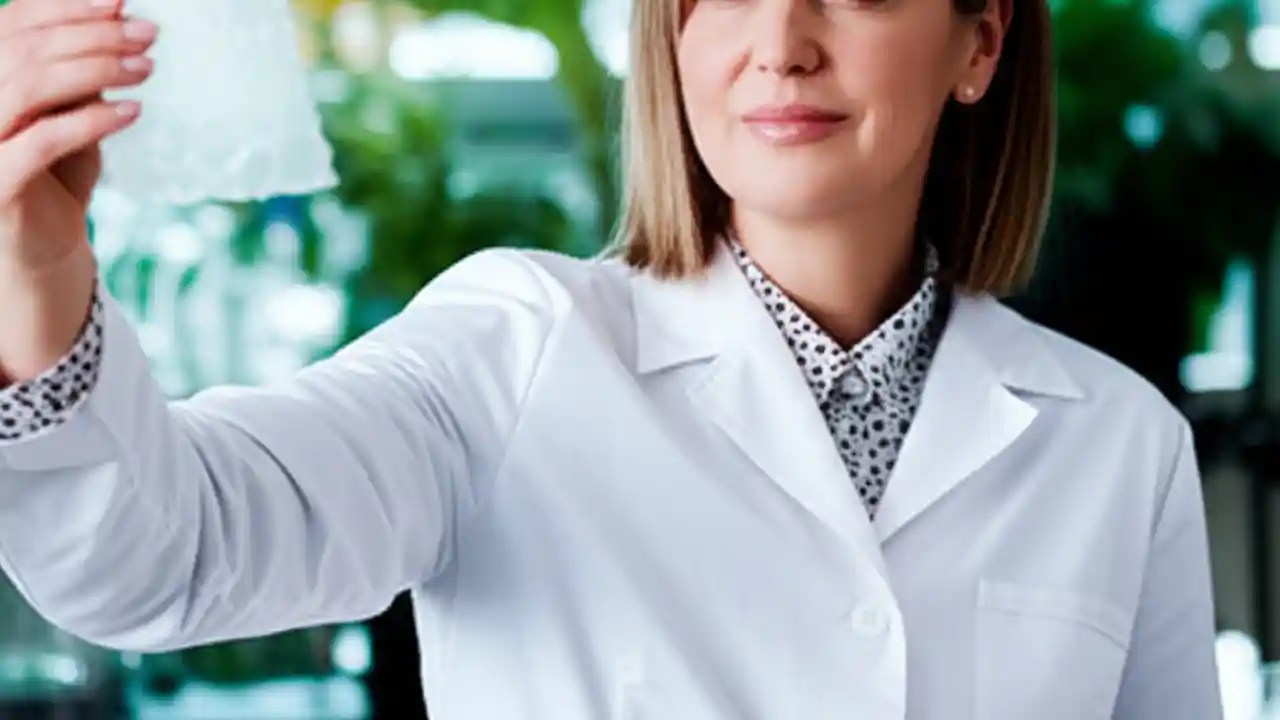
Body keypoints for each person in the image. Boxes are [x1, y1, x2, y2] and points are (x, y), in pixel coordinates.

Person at [0, 0, 1222, 717]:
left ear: (980, 44)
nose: (782, 43)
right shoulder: (513, 348)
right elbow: (165, 560)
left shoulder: (1116, 442)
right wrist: (40, 282)